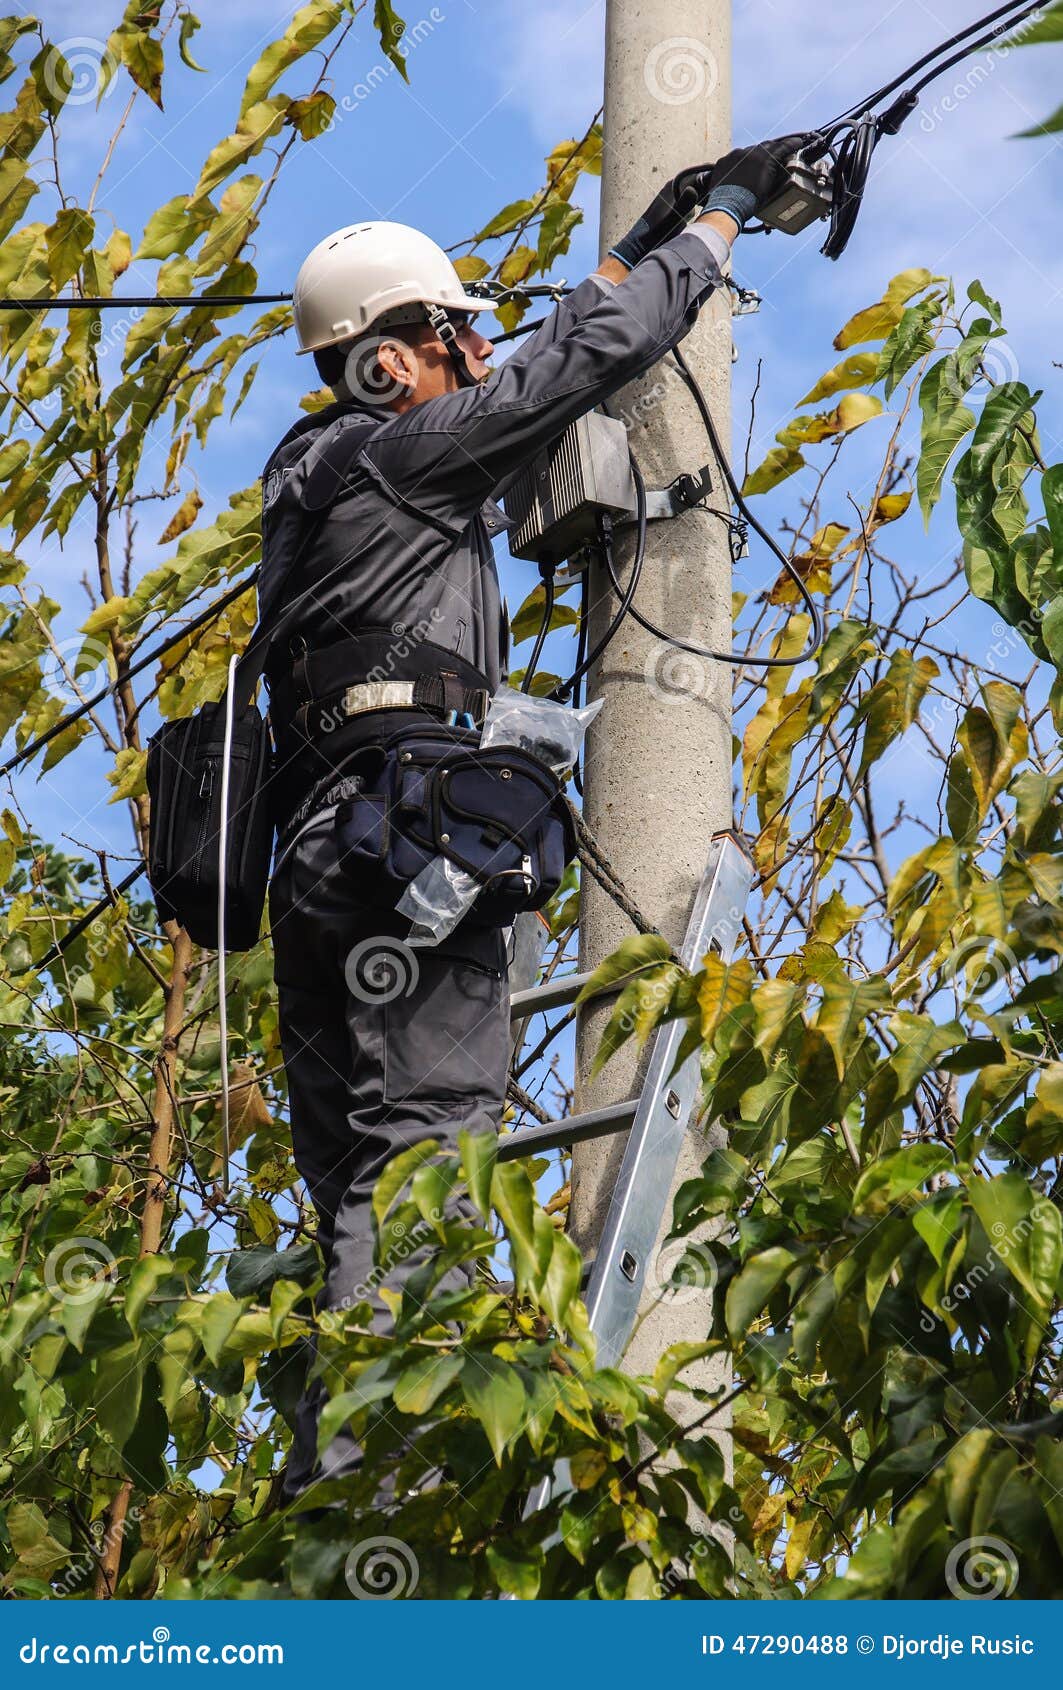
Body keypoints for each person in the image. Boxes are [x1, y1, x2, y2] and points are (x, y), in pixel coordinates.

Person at [261, 135, 808, 1499]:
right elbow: (569, 370)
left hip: (320, 858)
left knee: (350, 1195)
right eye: (451, 339)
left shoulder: (319, 484)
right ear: (387, 361)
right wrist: (720, 226)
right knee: (430, 1154)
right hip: (402, 841)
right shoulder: (394, 458)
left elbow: (535, 365)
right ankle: (409, 1480)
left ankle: (329, 1504)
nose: (474, 360)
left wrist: (633, 248)